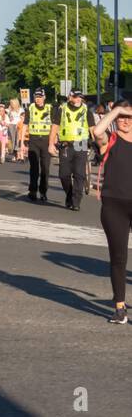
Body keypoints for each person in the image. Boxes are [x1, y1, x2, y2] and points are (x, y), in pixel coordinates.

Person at [93, 101, 132, 322]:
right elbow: (97, 130)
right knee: (118, 257)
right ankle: (119, 307)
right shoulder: (111, 139)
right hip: (114, 206)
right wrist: (116, 111)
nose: (125, 121)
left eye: (129, 117)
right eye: (121, 117)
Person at [51, 89, 95, 211]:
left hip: (81, 144)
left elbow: (92, 128)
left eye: (80, 97)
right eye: (75, 97)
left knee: (79, 174)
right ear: (70, 97)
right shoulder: (62, 109)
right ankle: (69, 195)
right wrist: (51, 143)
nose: (78, 99)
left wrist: (95, 143)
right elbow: (55, 126)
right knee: (63, 174)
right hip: (66, 144)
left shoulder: (86, 110)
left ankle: (76, 201)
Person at [26, 88, 53, 202]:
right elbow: (25, 124)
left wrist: (53, 141)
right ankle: (32, 191)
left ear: (44, 97)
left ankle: (43, 191)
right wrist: (22, 143)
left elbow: (55, 126)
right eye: (36, 97)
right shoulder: (30, 108)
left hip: (46, 140)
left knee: (45, 168)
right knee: (34, 167)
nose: (38, 99)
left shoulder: (50, 108)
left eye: (40, 97)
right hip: (33, 140)